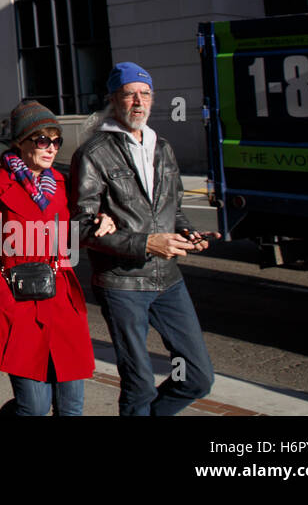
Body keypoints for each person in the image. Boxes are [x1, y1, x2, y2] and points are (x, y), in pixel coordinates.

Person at [72, 62, 217, 416]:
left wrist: (188, 233)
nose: (138, 101)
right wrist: (146, 243)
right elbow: (80, 226)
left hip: (168, 279)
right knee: (139, 384)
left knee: (198, 376)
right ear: (113, 99)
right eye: (129, 93)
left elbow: (173, 209)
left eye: (145, 93)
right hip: (122, 283)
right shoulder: (93, 153)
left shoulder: (162, 147)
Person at [0, 102, 115, 415]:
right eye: (42, 140)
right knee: (33, 407)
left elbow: (72, 234)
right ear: (20, 143)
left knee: (71, 406)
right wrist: (5, 305)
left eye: (55, 141)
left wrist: (98, 221)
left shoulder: (61, 186)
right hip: (19, 306)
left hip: (62, 303)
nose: (50, 148)